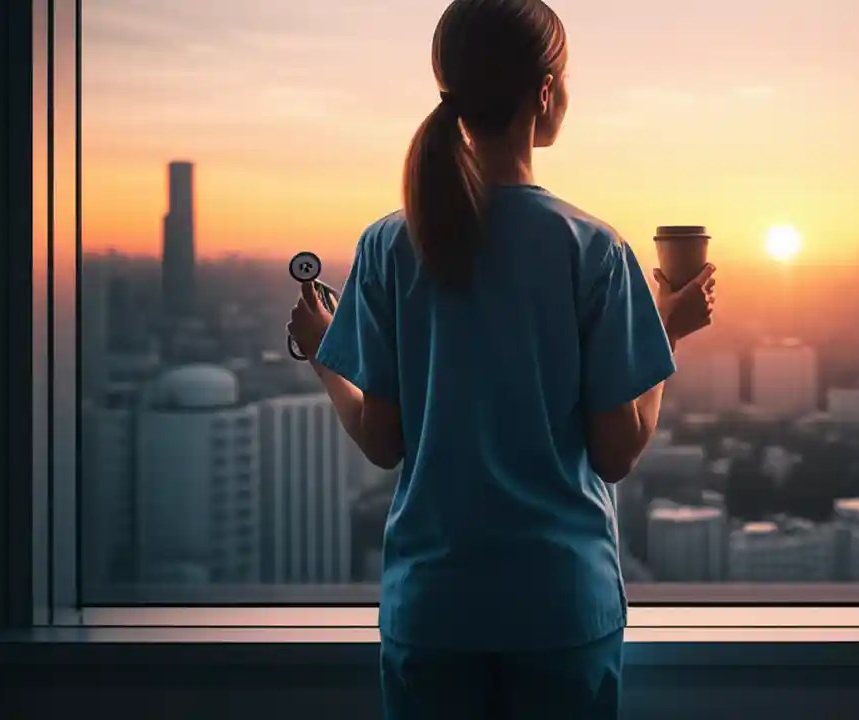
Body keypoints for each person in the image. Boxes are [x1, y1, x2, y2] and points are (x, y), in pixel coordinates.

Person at [285, 1, 716, 717]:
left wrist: (327, 356)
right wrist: (663, 332)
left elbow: (383, 440)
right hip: (558, 610)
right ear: (545, 92)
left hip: (434, 611)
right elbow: (616, 451)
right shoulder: (595, 250)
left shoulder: (389, 246)